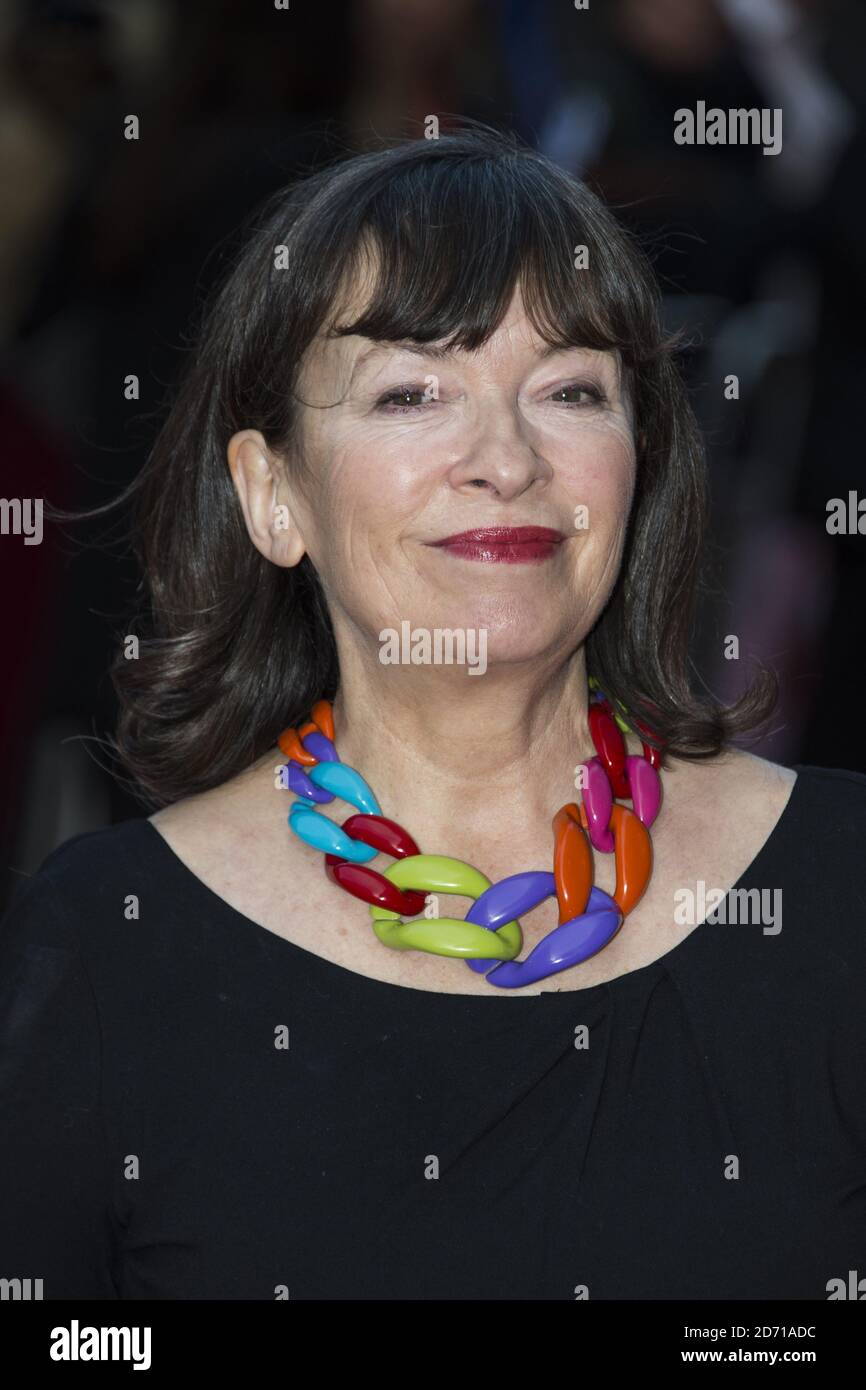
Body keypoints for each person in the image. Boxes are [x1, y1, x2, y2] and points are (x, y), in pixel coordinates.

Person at [1, 123, 864, 1301]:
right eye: (410, 392)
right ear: (271, 494)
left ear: (638, 461)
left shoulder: (837, 887)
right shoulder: (105, 948)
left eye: (569, 390)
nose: (504, 459)